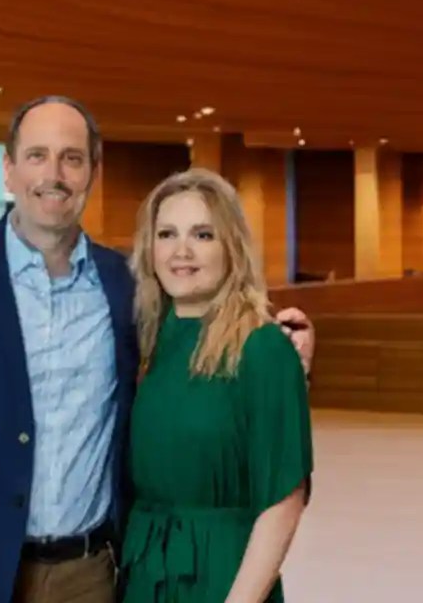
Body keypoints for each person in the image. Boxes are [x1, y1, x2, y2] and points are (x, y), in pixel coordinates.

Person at [0, 95, 315, 603]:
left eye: (71, 158)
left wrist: (287, 356)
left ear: (92, 173)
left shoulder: (125, 286)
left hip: (95, 575)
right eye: (36, 155)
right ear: (8, 170)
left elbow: (215, 337)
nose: (52, 174)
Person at [119, 168, 313, 602]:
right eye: (166, 233)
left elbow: (283, 501)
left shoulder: (263, 348)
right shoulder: (150, 341)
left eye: (203, 235)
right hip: (145, 570)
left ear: (232, 247)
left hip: (222, 575)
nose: (180, 251)